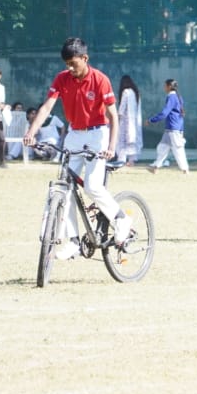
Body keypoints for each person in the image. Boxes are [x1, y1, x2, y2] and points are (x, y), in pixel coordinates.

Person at [23, 37, 132, 260]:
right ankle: (72, 240)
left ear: (85, 58)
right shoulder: (62, 79)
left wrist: (111, 147)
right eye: (67, 64)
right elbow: (46, 107)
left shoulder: (100, 80)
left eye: (73, 63)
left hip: (98, 134)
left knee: (92, 185)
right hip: (74, 134)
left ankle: (121, 219)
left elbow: (113, 115)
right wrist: (31, 132)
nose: (70, 68)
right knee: (65, 187)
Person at [147, 78, 189, 174]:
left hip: (173, 129)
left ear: (169, 86)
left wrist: (151, 120)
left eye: (165, 86)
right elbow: (181, 114)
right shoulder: (178, 97)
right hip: (172, 128)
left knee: (178, 149)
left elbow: (164, 113)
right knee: (162, 147)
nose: (164, 88)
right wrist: (181, 130)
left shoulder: (171, 97)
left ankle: (185, 169)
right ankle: (155, 167)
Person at [116, 75, 143, 165]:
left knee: (122, 139)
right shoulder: (136, 92)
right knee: (132, 139)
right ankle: (132, 160)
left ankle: (121, 159)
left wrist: (118, 117)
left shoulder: (126, 92)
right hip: (134, 121)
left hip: (125, 120)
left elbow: (122, 107)